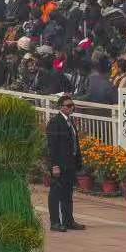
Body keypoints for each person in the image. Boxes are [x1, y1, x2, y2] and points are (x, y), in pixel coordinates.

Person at [45, 95, 86, 232]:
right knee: (55, 193)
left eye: (72, 105)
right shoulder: (55, 122)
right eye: (68, 105)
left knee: (67, 193)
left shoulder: (70, 122)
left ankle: (68, 220)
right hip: (59, 164)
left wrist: (78, 161)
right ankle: (55, 222)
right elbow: (52, 146)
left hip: (70, 164)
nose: (71, 107)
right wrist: (54, 165)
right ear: (61, 107)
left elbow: (75, 143)